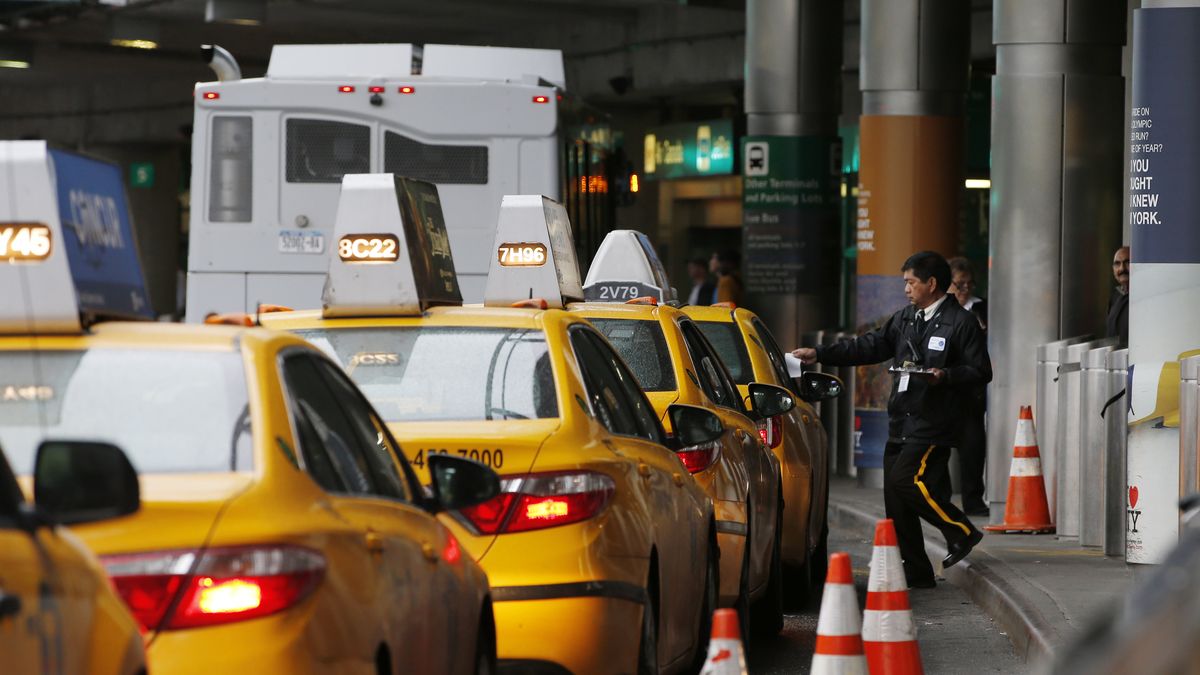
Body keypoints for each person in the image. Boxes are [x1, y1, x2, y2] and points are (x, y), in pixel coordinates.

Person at [791, 251, 991, 588]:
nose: (906, 289)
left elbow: (981, 371)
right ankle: (916, 569)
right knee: (895, 500)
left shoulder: (961, 322)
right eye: (905, 283)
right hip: (902, 417)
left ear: (931, 283)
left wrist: (945, 375)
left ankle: (960, 530)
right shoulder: (906, 318)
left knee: (905, 480)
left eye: (911, 282)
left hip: (934, 420)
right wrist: (820, 354)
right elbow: (869, 346)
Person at [947, 257, 988, 516]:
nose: (964, 290)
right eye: (959, 285)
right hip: (944, 388)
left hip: (971, 387)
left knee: (972, 446)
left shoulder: (981, 308)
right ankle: (939, 499)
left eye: (969, 284)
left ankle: (973, 500)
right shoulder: (941, 310)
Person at [1107, 246, 1129, 348]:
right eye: (1117, 264)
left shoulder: (1143, 298)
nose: (1122, 269)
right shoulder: (1115, 296)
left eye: (1127, 262)